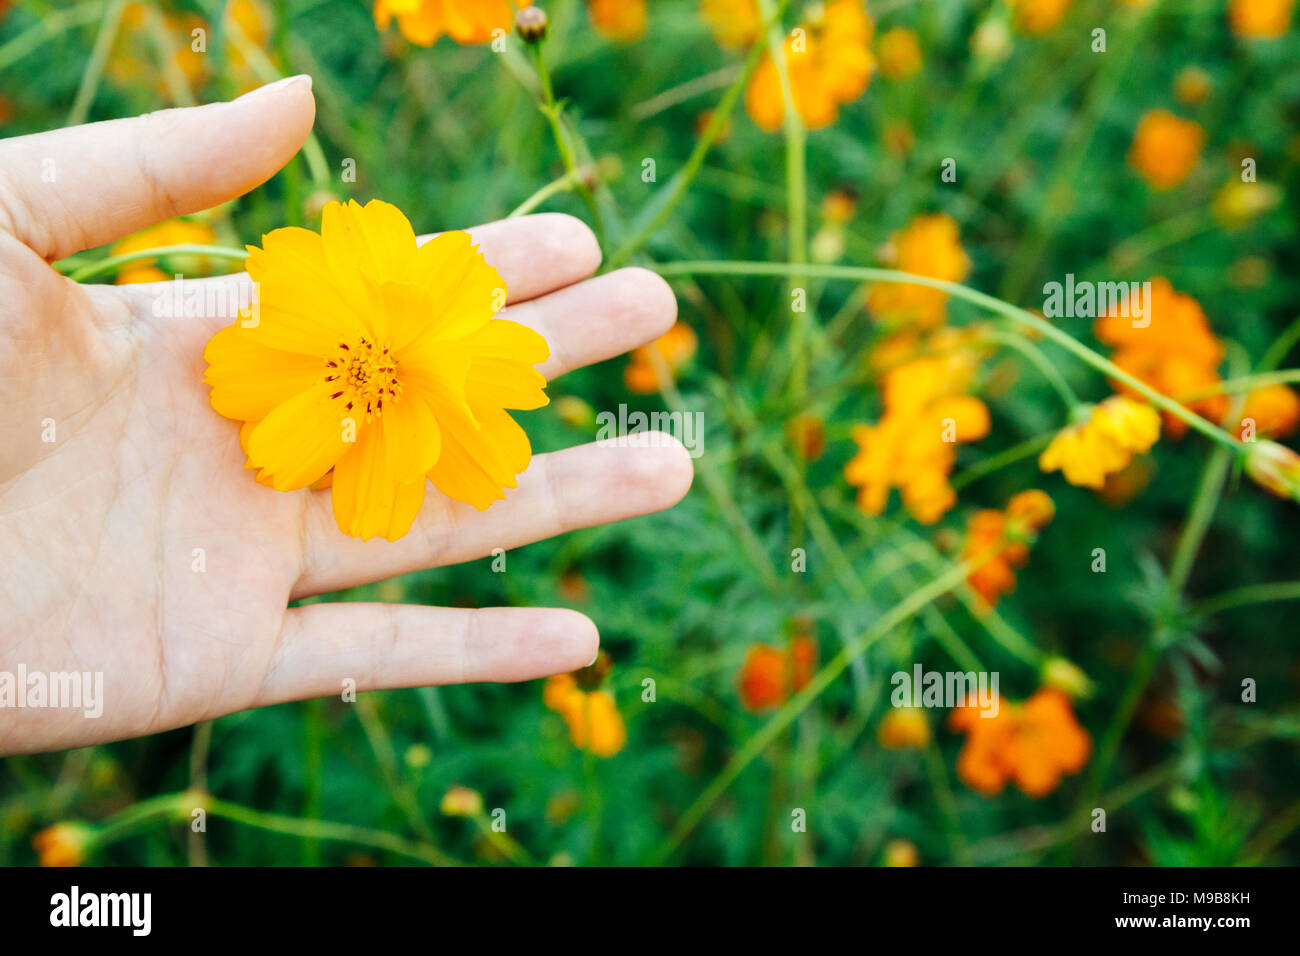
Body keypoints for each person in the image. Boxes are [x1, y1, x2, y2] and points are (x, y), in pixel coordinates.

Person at [0, 76, 692, 756]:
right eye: (357, 372)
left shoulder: (438, 353)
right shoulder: (307, 348)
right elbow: (250, 378)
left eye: (366, 372)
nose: (362, 375)